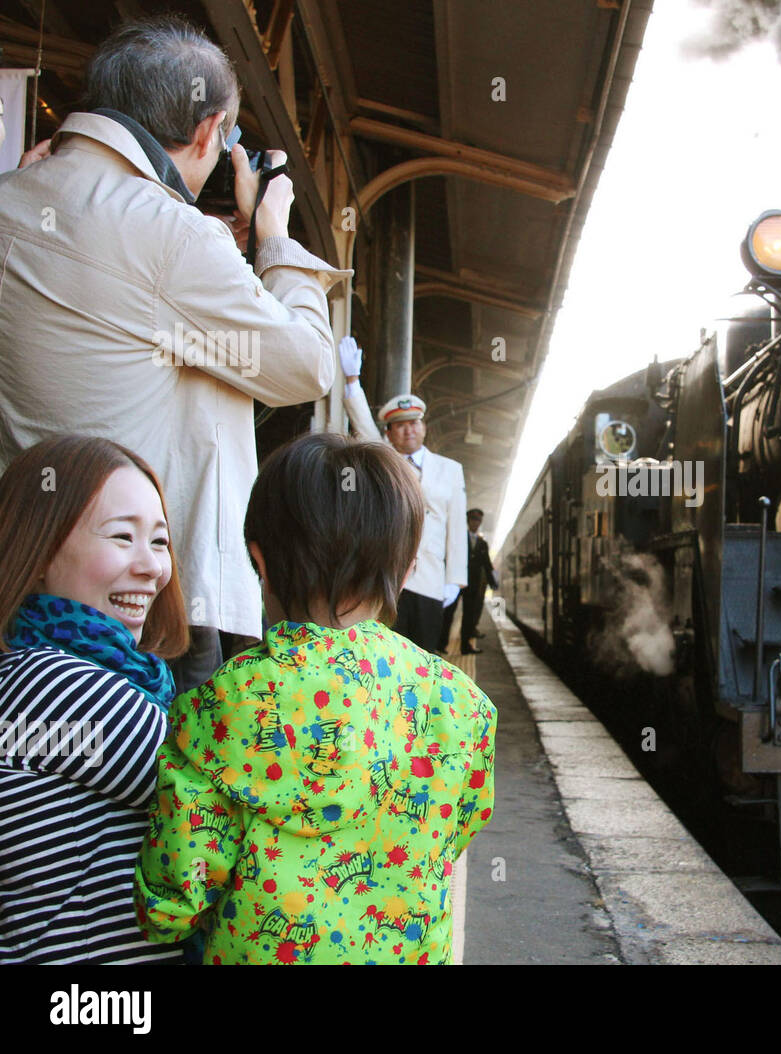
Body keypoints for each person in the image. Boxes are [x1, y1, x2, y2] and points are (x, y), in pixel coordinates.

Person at [0, 15, 348, 692]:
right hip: (151, 603)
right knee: (152, 791)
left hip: (23, 577)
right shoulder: (174, 236)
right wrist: (275, 241)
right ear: (208, 130)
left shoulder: (13, 200)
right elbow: (305, 365)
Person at [134, 433, 495, 965]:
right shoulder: (465, 705)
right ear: (410, 566)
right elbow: (459, 827)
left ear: (260, 561)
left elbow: (172, 904)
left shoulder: (222, 706)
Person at [0, 436, 189, 964]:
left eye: (159, 541)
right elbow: (223, 781)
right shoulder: (46, 683)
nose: (152, 567)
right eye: (122, 536)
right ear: (37, 551)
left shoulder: (118, 681)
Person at [338, 337, 468, 655]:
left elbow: (456, 528)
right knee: (384, 657)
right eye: (399, 425)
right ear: (389, 433)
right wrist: (352, 381)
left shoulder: (450, 469)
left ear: (424, 427)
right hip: (386, 580)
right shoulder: (384, 459)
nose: (408, 430)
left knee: (424, 658)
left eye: (414, 423)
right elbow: (362, 424)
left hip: (431, 582)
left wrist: (456, 580)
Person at [440, 508, 497, 654]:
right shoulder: (457, 539)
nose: (475, 523)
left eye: (478, 520)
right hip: (456, 582)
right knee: (448, 614)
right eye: (473, 520)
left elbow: (487, 565)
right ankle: (441, 644)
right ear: (468, 521)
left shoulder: (482, 544)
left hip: (472, 585)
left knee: (469, 616)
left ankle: (465, 647)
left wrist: (493, 582)